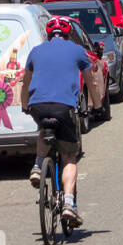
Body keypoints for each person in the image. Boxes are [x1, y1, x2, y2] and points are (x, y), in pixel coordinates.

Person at [20, 16, 91, 227]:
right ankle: (69, 203)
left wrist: (25, 105)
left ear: (48, 36)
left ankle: (37, 165)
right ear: (68, 35)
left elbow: (26, 84)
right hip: (64, 107)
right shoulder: (78, 51)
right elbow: (91, 81)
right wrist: (95, 104)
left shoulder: (36, 51)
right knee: (69, 156)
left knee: (44, 127)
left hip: (38, 105)